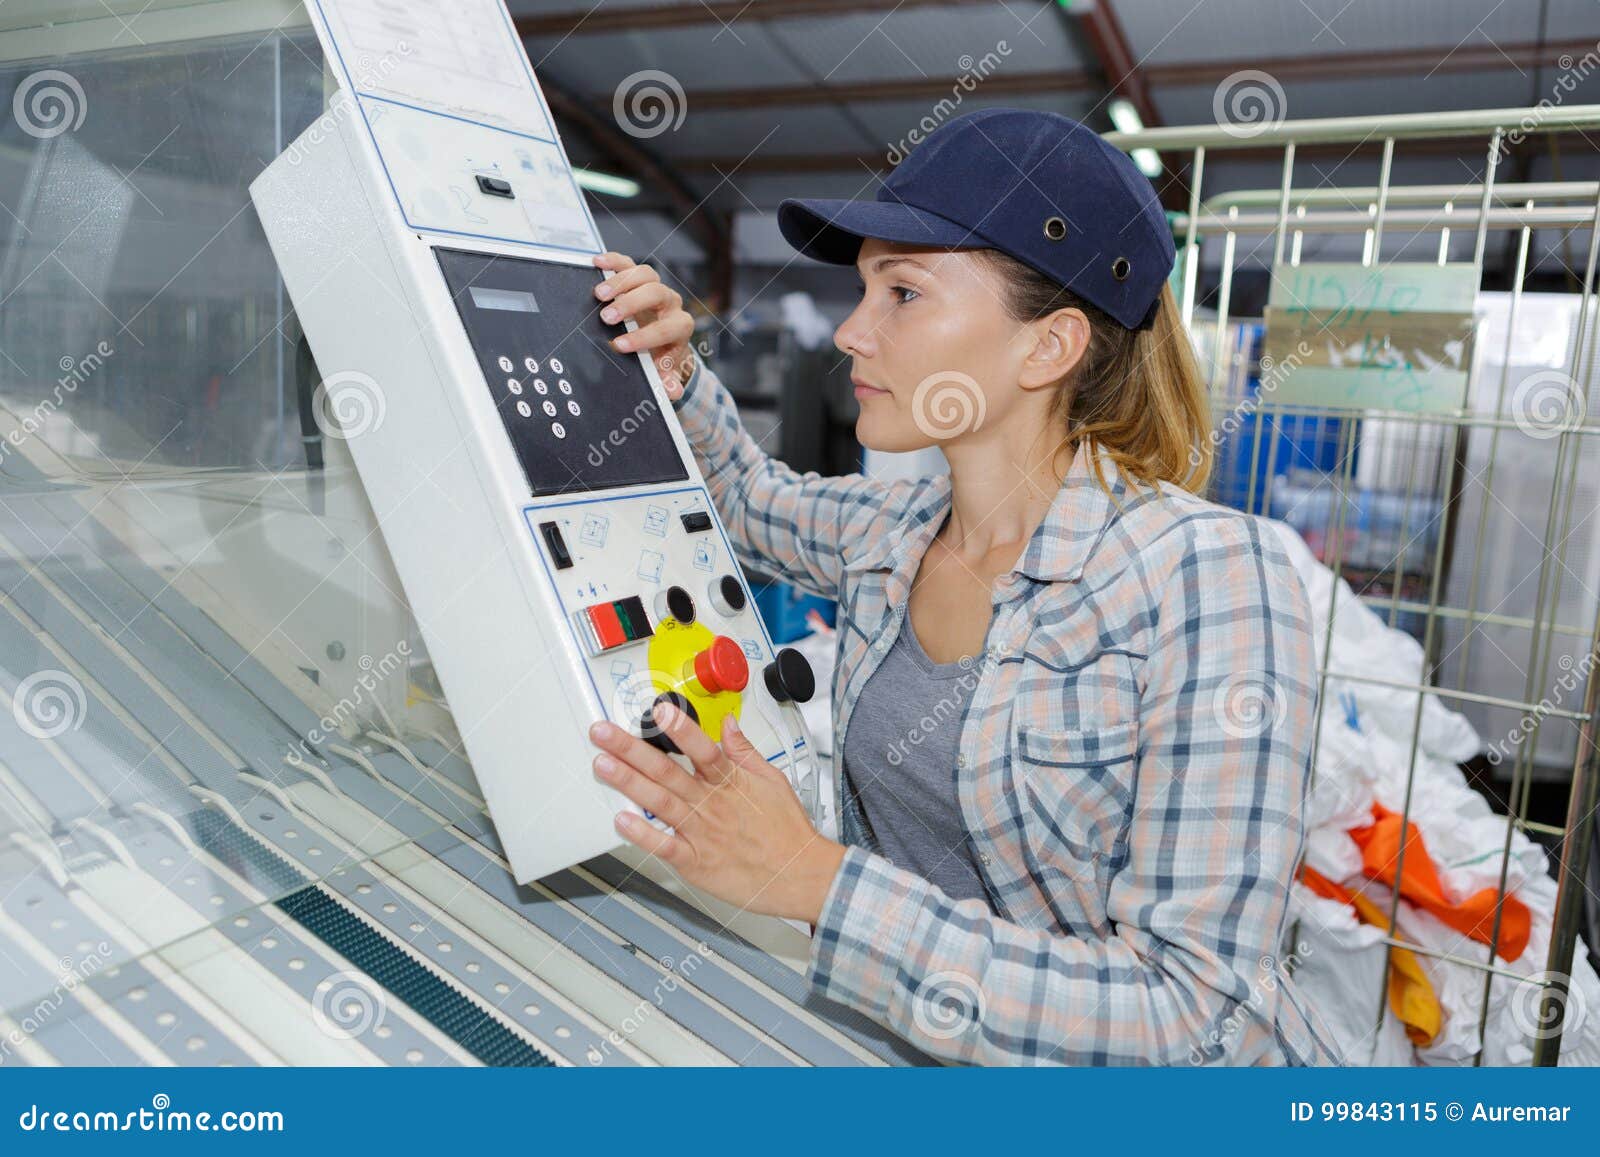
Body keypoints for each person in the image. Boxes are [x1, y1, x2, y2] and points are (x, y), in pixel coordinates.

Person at [584, 107, 1342, 1066]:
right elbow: (741, 497)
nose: (852, 334)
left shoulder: (1210, 579)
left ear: (1048, 347)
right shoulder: (892, 534)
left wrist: (817, 881)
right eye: (862, 289)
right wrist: (675, 368)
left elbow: (1196, 1021)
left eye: (902, 293)